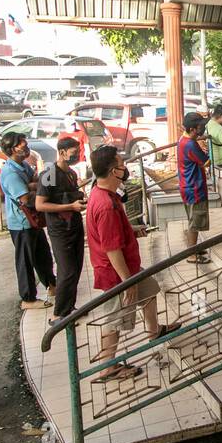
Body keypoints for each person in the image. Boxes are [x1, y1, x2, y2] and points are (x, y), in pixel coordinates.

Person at [86, 145, 179, 381]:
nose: (125, 167)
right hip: (117, 273)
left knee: (149, 291)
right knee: (115, 318)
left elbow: (114, 236)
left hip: (128, 267)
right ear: (112, 171)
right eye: (120, 164)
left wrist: (132, 230)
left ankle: (154, 331)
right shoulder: (105, 205)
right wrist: (127, 282)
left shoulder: (106, 195)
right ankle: (108, 367)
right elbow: (111, 249)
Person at [0, 130, 56, 310]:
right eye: (23, 146)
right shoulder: (9, 173)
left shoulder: (22, 165)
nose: (27, 149)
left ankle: (51, 285)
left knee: (43, 255)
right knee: (25, 261)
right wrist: (37, 190)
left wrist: (34, 184)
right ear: (13, 149)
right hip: (21, 223)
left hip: (33, 222)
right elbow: (26, 198)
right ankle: (28, 298)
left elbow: (32, 182)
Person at [35, 136, 87, 322]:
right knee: (67, 270)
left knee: (76, 267)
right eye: (74, 152)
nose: (77, 155)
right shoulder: (49, 174)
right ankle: (58, 314)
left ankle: (69, 306)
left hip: (74, 225)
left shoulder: (71, 174)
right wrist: (69, 207)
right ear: (63, 152)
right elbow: (40, 205)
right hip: (59, 229)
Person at [177, 113, 211, 264]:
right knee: (195, 221)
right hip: (194, 187)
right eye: (199, 127)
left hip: (187, 185)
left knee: (193, 219)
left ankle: (194, 247)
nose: (201, 129)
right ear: (192, 129)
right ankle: (191, 253)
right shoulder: (190, 144)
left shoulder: (183, 140)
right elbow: (206, 162)